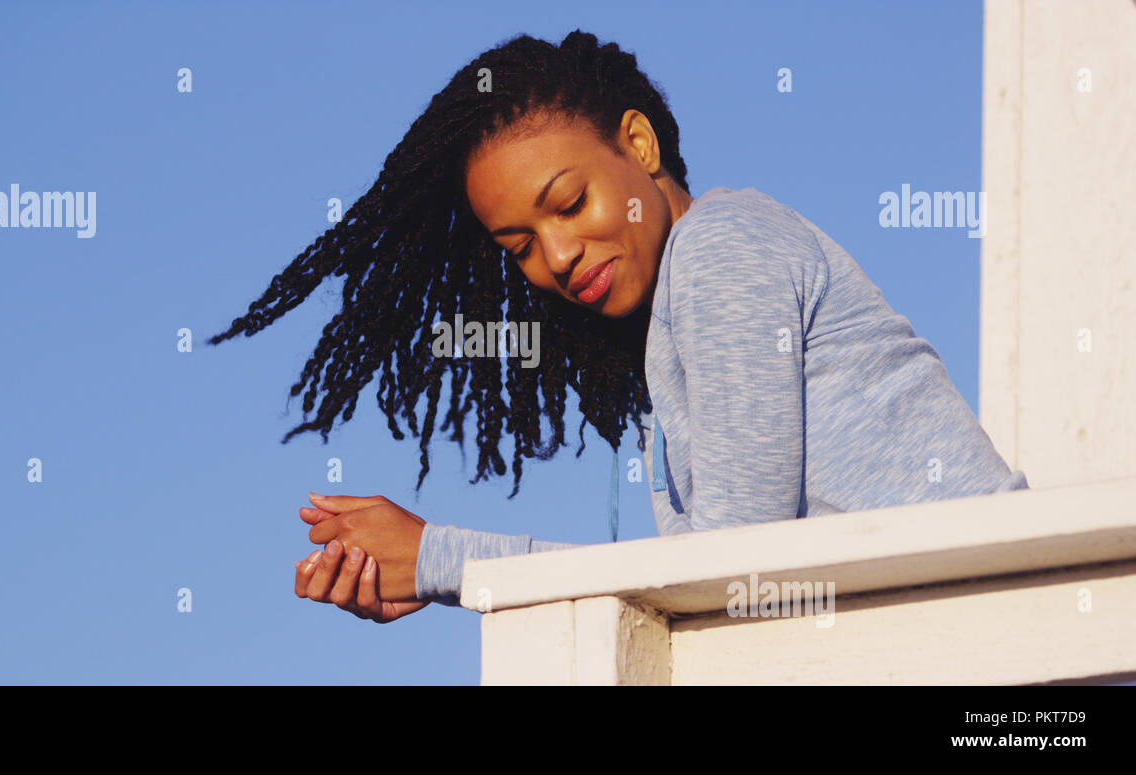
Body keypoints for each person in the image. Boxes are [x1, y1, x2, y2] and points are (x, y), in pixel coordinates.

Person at [207, 30, 1028, 623]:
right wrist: (437, 572)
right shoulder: (665, 348)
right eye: (519, 245)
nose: (557, 256)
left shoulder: (721, 246)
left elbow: (727, 575)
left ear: (637, 142)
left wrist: (440, 557)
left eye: (569, 203)